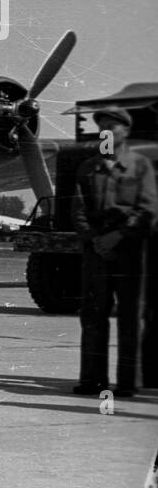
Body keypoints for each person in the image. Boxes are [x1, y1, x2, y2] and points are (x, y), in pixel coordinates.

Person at [70, 106, 157, 399]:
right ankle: (92, 380)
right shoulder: (87, 168)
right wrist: (96, 240)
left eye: (113, 126)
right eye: (102, 127)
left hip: (129, 249)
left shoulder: (140, 166)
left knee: (131, 316)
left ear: (126, 131)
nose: (106, 131)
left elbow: (148, 209)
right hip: (96, 252)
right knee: (93, 316)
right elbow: (78, 210)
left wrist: (117, 236)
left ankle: (127, 382)